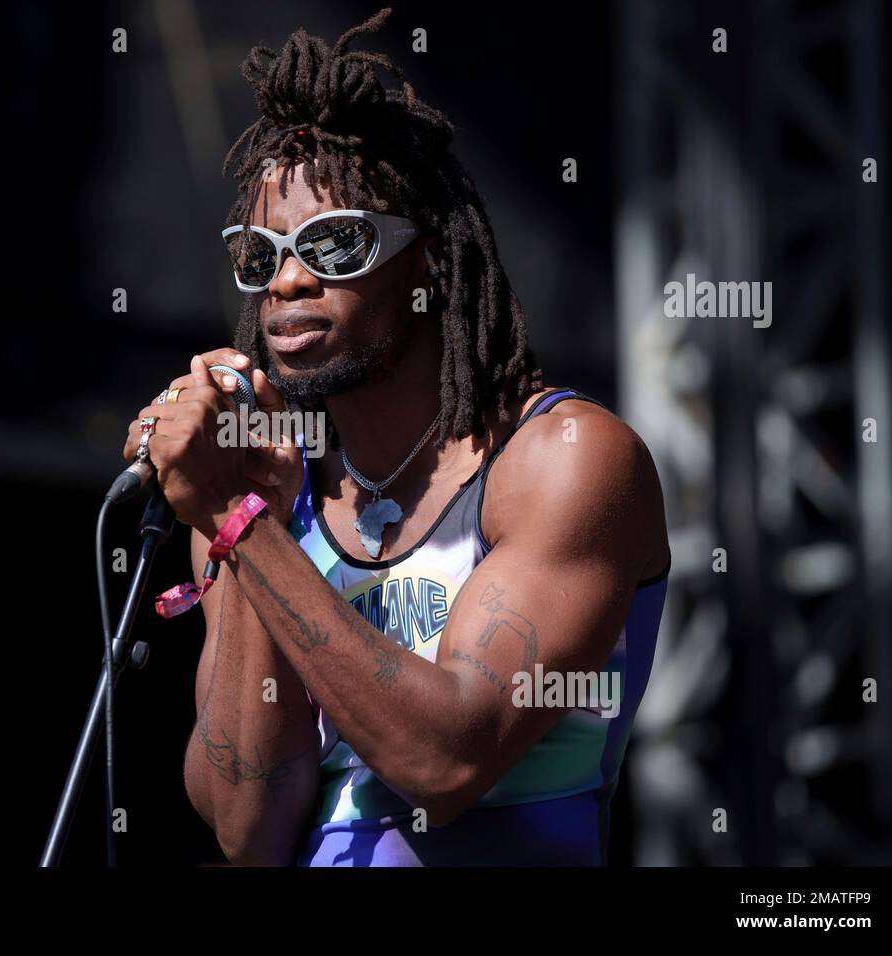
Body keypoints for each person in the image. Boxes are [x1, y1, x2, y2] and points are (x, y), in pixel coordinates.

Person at [123, 8, 670, 866]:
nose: (290, 280)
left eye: (334, 244)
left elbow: (444, 761)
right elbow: (248, 828)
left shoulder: (561, 463)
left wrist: (242, 520)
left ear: (429, 261)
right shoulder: (263, 500)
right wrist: (251, 517)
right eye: (260, 255)